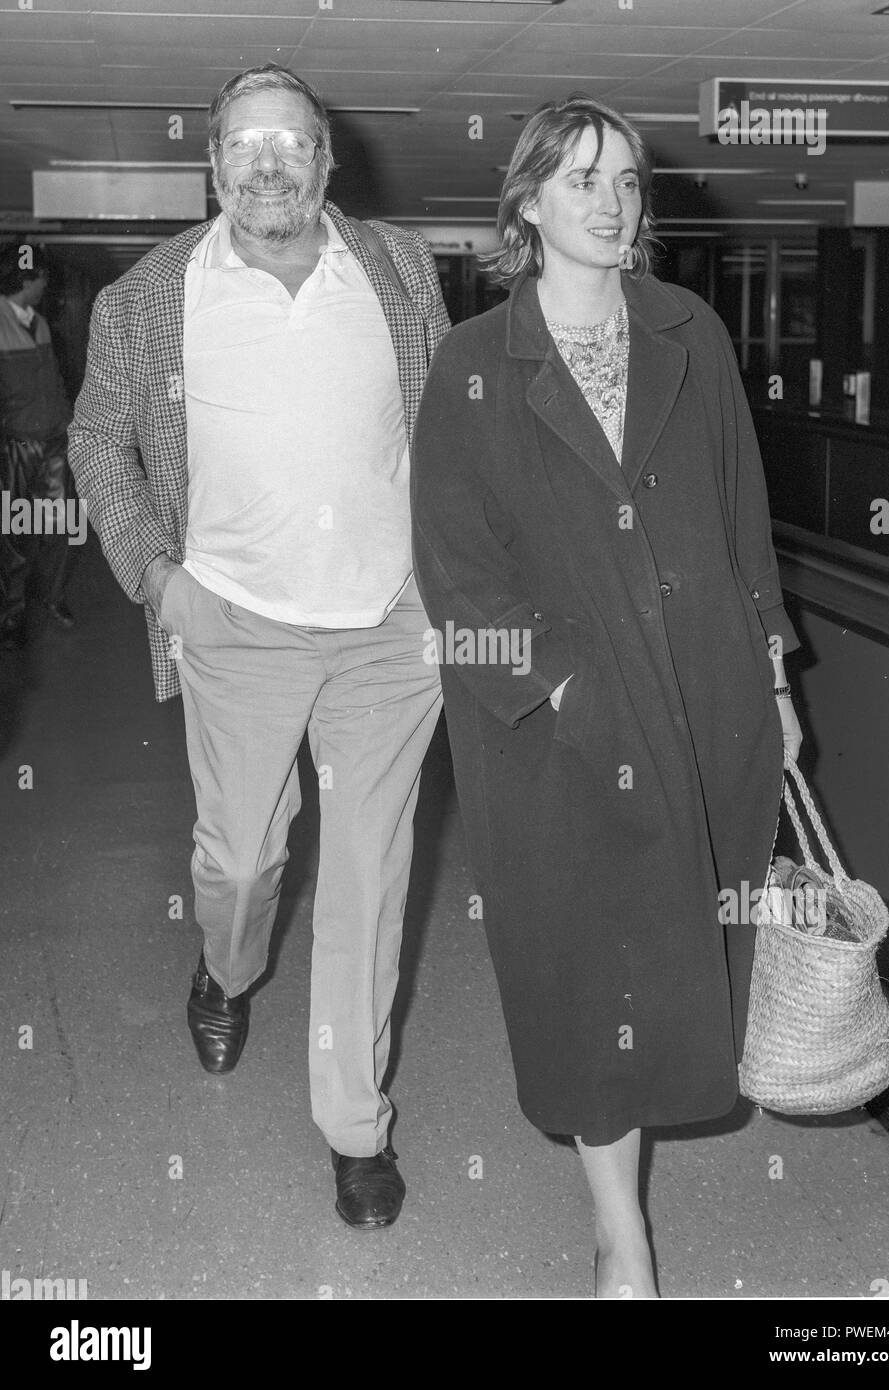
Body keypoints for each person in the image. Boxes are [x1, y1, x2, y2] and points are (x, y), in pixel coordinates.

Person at [410, 96, 804, 1296]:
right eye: (581, 180)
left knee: (684, 956)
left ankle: (624, 1211)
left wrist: (772, 671)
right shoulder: (473, 365)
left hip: (705, 702)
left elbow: (744, 520)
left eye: (628, 180)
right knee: (586, 979)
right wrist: (567, 686)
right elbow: (455, 580)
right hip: (558, 731)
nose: (612, 202)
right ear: (527, 205)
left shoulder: (693, 331)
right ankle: (619, 1233)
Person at [69, 63, 449, 1228]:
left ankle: (355, 1126)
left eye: (291, 142)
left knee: (370, 883)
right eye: (245, 144)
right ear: (213, 165)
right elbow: (97, 442)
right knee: (241, 860)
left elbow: (447, 428)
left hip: (388, 632)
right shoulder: (146, 298)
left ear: (328, 163)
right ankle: (226, 968)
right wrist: (159, 580)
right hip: (233, 622)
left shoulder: (396, 268)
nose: (269, 161)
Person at [0, 245, 77, 646]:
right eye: (42, 277)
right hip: (17, 444)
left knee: (59, 523)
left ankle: (51, 597)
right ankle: (10, 615)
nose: (47, 283)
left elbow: (55, 384)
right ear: (25, 280)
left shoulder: (42, 325)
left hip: (53, 441)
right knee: (14, 529)